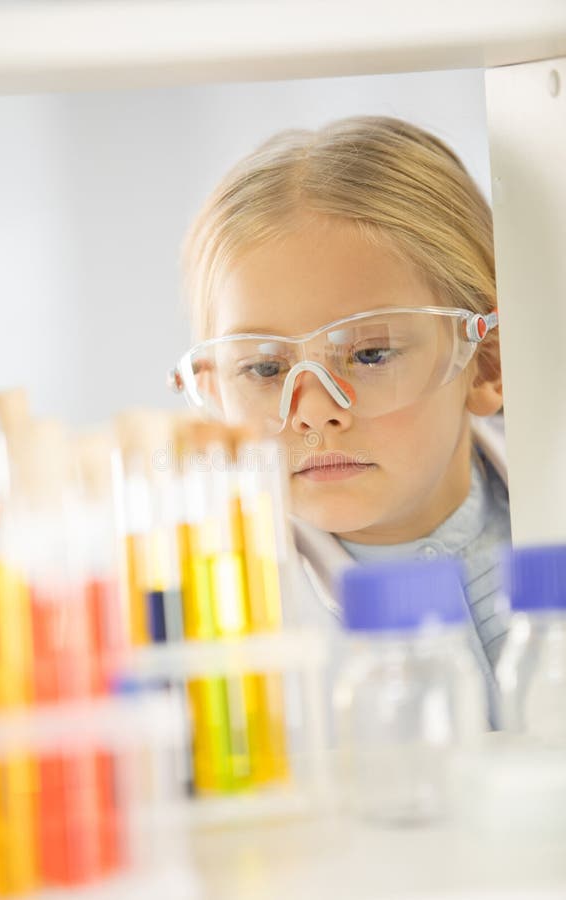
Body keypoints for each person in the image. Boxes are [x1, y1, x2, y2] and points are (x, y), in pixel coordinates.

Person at [170, 115, 511, 721]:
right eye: (265, 370)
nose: (316, 412)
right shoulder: (217, 623)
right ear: (216, 393)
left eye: (371, 353)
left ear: (485, 363)